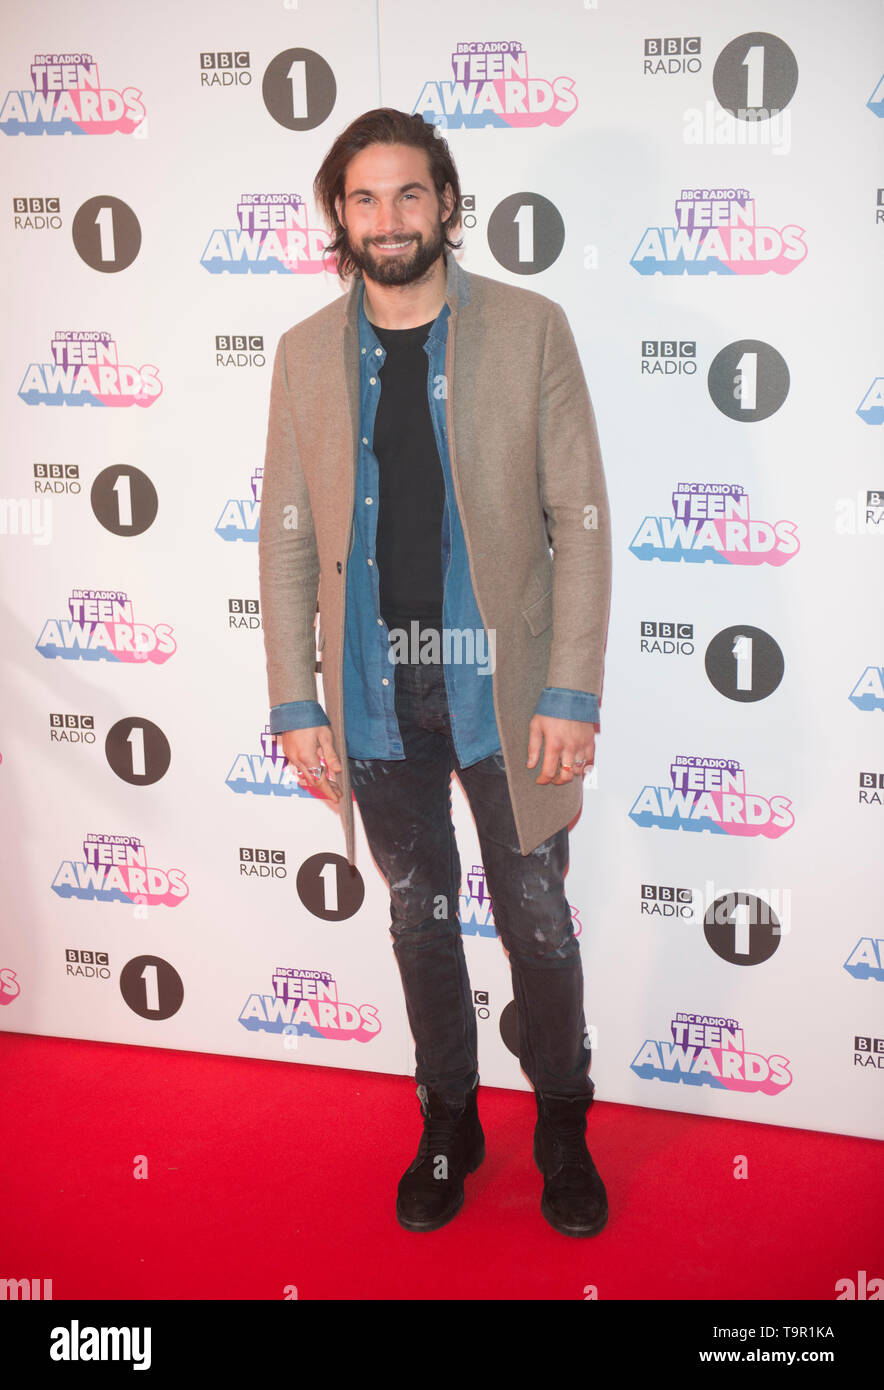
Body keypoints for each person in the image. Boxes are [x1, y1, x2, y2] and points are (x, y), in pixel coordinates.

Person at [258, 108, 612, 1237]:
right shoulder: (305, 353)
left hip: (500, 687)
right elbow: (288, 539)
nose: (387, 218)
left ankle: (561, 1117)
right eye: (363, 198)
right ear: (338, 216)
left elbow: (581, 521)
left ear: (447, 203)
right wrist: (293, 697)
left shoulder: (528, 328)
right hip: (372, 688)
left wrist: (569, 687)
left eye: (409, 194)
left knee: (536, 920)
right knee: (416, 918)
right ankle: (448, 1119)